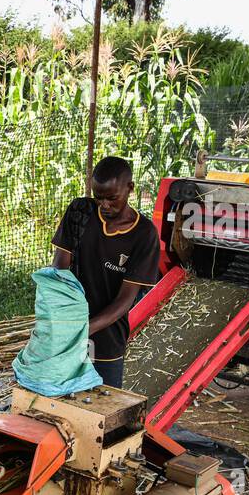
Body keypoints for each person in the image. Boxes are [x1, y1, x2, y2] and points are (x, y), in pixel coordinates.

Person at [50, 155, 159, 389]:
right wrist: (60, 317)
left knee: (103, 406)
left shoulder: (144, 233)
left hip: (108, 337)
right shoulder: (81, 212)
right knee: (59, 399)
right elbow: (60, 267)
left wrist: (84, 329)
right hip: (67, 327)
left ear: (130, 188)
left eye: (112, 198)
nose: (105, 205)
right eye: (99, 197)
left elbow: (125, 299)